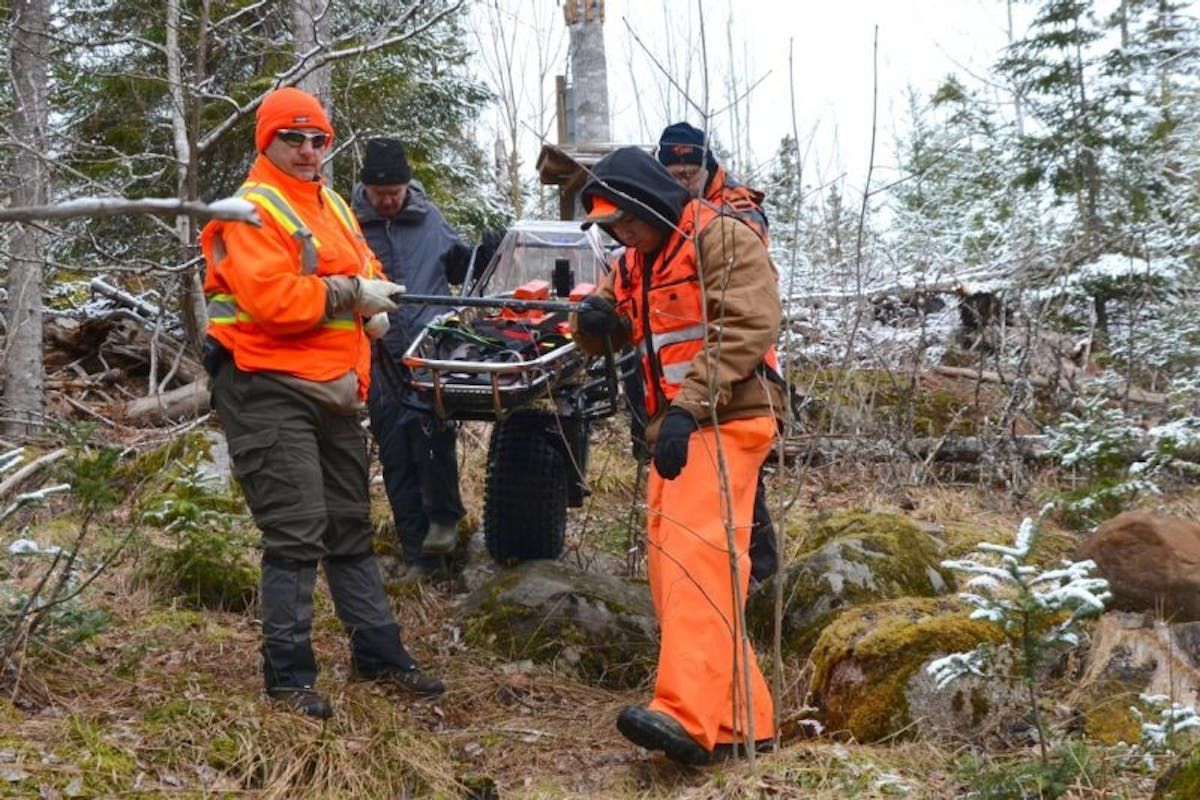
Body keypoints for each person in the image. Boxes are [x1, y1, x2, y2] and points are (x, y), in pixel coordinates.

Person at [200, 87, 444, 719]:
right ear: (267, 141)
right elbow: (275, 302)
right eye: (294, 138)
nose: (308, 151)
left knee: (348, 527)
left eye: (318, 140)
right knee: (295, 529)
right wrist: (351, 294)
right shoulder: (249, 208)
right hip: (265, 385)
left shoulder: (331, 201)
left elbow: (360, 267)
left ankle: (379, 656)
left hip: (333, 390)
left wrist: (372, 311)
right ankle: (288, 678)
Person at [570, 146, 784, 764]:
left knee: (696, 564)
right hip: (677, 427)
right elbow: (607, 333)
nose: (620, 235)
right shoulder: (634, 261)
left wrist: (690, 406)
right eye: (612, 229)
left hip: (726, 416)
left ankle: (686, 717)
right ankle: (745, 720)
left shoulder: (724, 238)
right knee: (678, 572)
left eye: (625, 223)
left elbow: (748, 323)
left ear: (650, 203)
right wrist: (592, 320)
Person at [655, 121, 779, 585]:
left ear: (707, 167)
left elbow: (745, 290)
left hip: (737, 366)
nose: (682, 180)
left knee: (741, 479)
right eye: (674, 171)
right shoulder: (662, 213)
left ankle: (758, 579)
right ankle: (705, 575)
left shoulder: (736, 213)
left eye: (690, 171)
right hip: (682, 375)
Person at [351, 137, 471, 582]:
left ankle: (445, 526)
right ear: (365, 190)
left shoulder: (429, 218)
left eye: (394, 194)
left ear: (407, 188)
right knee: (396, 452)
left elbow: (459, 266)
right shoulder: (348, 225)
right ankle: (419, 555)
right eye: (379, 194)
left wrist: (483, 253)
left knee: (435, 439)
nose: (387, 201)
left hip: (430, 353)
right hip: (377, 355)